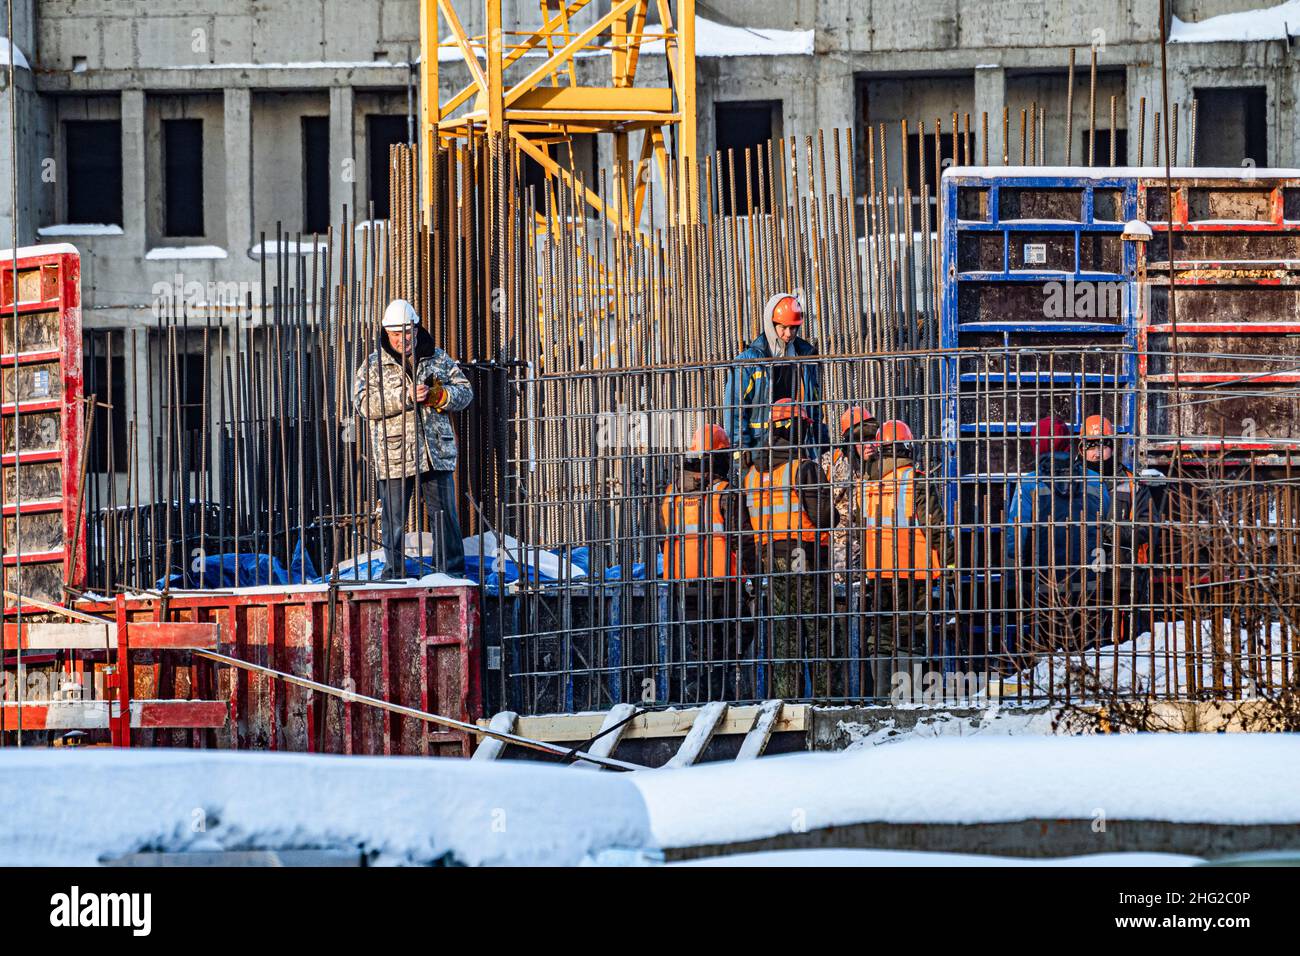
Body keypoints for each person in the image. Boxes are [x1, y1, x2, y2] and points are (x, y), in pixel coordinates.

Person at [353, 299, 473, 579]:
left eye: (406, 332)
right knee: (393, 519)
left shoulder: (438, 358)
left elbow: (465, 391)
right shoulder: (373, 365)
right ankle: (394, 574)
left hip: (435, 452)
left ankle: (450, 572)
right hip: (394, 455)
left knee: (445, 516)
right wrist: (403, 397)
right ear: (387, 333)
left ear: (416, 329)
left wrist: (441, 396)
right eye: (395, 334)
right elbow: (362, 403)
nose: (402, 339)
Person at [743, 398, 835, 699]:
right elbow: (824, 517)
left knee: (785, 632)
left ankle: (787, 699)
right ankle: (826, 700)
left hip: (770, 557)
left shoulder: (752, 475)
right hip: (803, 554)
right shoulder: (803, 467)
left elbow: (746, 528)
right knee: (819, 629)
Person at [657, 424, 757, 700]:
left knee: (701, 643)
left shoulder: (670, 495)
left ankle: (702, 693)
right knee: (733, 637)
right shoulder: (725, 493)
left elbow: (662, 538)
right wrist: (756, 576)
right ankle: (717, 695)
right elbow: (743, 540)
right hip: (722, 582)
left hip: (683, 583)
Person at [854, 420, 953, 694]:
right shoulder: (915, 481)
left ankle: (883, 697)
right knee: (912, 636)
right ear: (908, 447)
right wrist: (952, 564)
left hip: (877, 575)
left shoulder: (867, 484)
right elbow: (936, 527)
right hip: (913, 574)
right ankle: (909, 699)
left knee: (881, 637)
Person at [1003, 416, 1111, 657]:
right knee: (1087, 655)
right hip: (1088, 584)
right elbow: (1107, 530)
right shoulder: (1096, 483)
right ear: (1069, 445)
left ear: (1035, 447)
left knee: (1046, 658)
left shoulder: (1029, 485)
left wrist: (1012, 581)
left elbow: (1015, 538)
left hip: (1044, 585)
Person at [1080, 414, 1159, 640]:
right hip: (1082, 579)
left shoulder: (1131, 482)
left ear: (1112, 447)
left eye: (1103, 444)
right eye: (1091, 445)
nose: (1097, 452)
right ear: (1081, 448)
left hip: (1122, 578)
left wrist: (1110, 531)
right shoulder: (1072, 481)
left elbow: (1147, 528)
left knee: (1122, 646)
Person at [723, 293, 827, 464]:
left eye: (793, 328)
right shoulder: (749, 363)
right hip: (761, 452)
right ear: (771, 324)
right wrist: (741, 454)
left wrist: (821, 446)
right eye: (783, 327)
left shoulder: (805, 357)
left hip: (800, 449)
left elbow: (815, 406)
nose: (788, 334)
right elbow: (735, 410)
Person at [820, 406, 878, 577]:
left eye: (873, 438)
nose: (870, 445)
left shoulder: (882, 466)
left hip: (871, 545)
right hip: (840, 550)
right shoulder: (829, 463)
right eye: (863, 439)